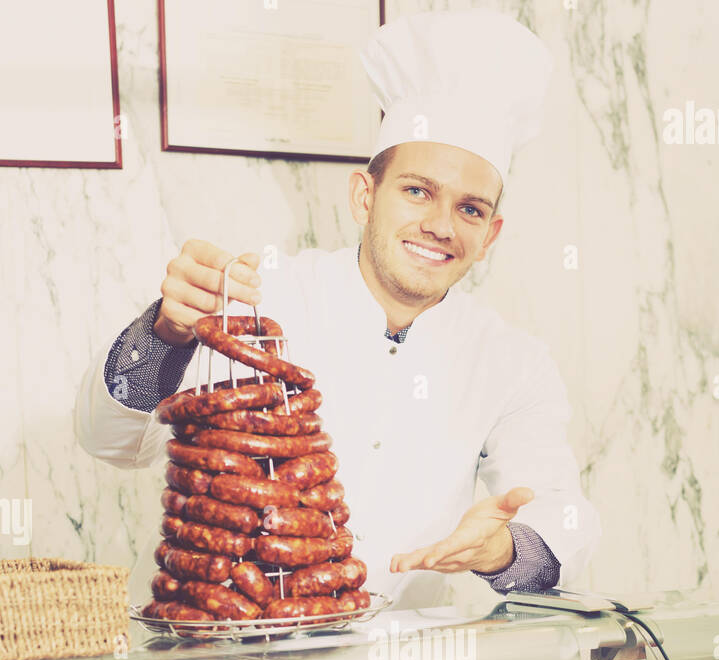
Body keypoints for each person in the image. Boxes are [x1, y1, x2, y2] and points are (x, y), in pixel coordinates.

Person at [75, 9, 599, 608]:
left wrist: (503, 550)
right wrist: (167, 333)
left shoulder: (512, 362)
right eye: (417, 190)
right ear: (364, 196)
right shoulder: (254, 297)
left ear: (492, 234)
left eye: (471, 209)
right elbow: (109, 442)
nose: (440, 225)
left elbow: (567, 517)